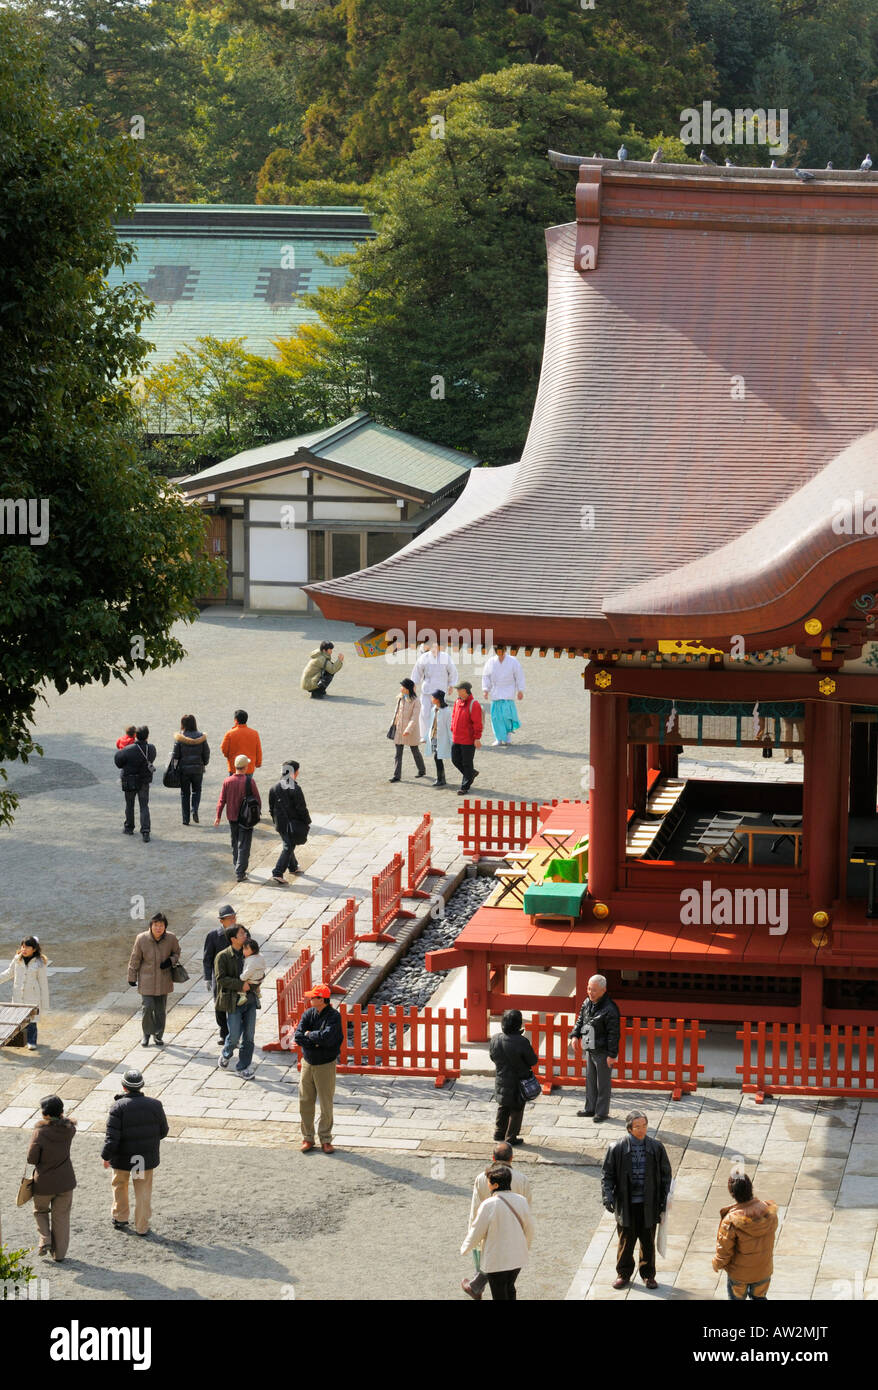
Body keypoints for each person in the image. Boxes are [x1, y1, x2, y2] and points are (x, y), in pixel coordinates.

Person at [602, 1111, 673, 1290]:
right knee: (626, 1240)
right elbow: (607, 1175)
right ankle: (623, 1273)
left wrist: (665, 1200)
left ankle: (648, 1274)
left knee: (647, 1240)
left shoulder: (656, 1147)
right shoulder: (616, 1148)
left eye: (644, 1126)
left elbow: (666, 1176)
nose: (642, 1130)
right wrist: (607, 1195)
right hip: (626, 1203)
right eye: (637, 1127)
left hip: (649, 1203)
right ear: (629, 1128)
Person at [101, 1068, 169, 1238]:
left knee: (119, 1185)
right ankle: (142, 1226)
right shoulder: (155, 1105)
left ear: (124, 1087)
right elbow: (163, 1131)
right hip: (143, 1158)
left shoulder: (118, 1107)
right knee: (143, 1190)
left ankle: (120, 1217)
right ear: (141, 1086)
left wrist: (106, 1155)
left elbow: (112, 1137)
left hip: (123, 1158)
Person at [462, 1142, 533, 1301]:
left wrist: (472, 1244)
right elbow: (528, 1213)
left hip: (492, 1240)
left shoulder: (482, 1178)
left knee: (499, 1285)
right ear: (512, 1158)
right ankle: (475, 1285)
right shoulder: (522, 1180)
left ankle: (476, 1285)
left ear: (493, 1158)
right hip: (516, 1241)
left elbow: (475, 1212)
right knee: (509, 1286)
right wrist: (525, 1244)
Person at [712, 1170, 779, 1300]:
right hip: (763, 1269)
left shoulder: (731, 1220)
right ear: (750, 1188)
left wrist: (717, 1263)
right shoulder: (769, 1211)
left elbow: (724, 1251)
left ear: (732, 1193)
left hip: (739, 1275)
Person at [26, 1095, 76, 1261]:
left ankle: (45, 1239)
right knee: (61, 1218)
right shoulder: (70, 1129)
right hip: (65, 1182)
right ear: (61, 1112)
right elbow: (67, 1121)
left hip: (44, 1184)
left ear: (45, 1114)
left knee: (40, 1211)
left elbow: (31, 1159)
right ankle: (59, 1255)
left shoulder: (40, 1133)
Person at [294, 983, 343, 1153]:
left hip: (325, 1065)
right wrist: (315, 1041)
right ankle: (307, 1137)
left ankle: (325, 1138)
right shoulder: (309, 1014)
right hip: (308, 1062)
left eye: (313, 997)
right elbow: (298, 1035)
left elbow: (328, 1038)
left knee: (325, 1103)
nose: (310, 999)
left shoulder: (334, 1017)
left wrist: (310, 1035)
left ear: (322, 999)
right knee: (305, 1100)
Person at [127, 912, 181, 1048]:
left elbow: (177, 953)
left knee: (160, 1010)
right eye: (156, 925)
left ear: (165, 927)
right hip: (147, 980)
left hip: (164, 980)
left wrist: (171, 961)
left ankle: (158, 1035)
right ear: (150, 926)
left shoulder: (171, 938)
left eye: (161, 925)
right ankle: (146, 1033)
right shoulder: (141, 939)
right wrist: (131, 976)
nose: (158, 928)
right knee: (147, 1007)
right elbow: (135, 958)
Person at [571, 974, 620, 1122]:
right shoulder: (587, 1002)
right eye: (589, 988)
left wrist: (612, 1054)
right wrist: (574, 1035)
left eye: (594, 990)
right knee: (590, 1080)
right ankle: (590, 1108)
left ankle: (601, 1112)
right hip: (590, 1047)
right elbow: (580, 1020)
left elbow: (614, 1034)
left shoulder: (610, 1009)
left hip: (603, 1051)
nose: (590, 992)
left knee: (603, 1083)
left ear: (603, 990)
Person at [489, 1008, 539, 1147]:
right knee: (516, 1108)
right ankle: (511, 1136)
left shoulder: (495, 1039)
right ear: (519, 1024)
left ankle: (499, 1132)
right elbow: (532, 1061)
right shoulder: (521, 1041)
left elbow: (493, 1057)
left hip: (501, 1077)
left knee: (503, 1105)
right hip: (518, 1079)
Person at [215, 925, 258, 1078]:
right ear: (233, 939)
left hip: (250, 999)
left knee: (249, 1036)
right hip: (233, 1001)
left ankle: (243, 1067)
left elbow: (259, 969)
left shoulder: (250, 953)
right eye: (241, 934)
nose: (245, 935)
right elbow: (221, 979)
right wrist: (241, 985)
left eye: (245, 932)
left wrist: (255, 983)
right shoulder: (223, 956)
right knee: (233, 1036)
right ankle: (226, 1053)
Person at [215, 753, 262, 882]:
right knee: (244, 845)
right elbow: (257, 799)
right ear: (245, 767)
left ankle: (237, 865)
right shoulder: (249, 781)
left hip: (232, 817)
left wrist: (218, 816)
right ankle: (240, 872)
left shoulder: (227, 781)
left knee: (235, 842)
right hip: (246, 818)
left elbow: (221, 800)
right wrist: (257, 814)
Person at [203, 904, 244, 1045]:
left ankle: (236, 1034)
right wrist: (207, 977)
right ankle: (223, 1032)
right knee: (220, 1005)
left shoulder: (242, 933)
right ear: (222, 921)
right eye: (229, 919)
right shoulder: (213, 936)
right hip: (220, 977)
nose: (233, 920)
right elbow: (207, 958)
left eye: (234, 918)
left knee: (238, 1004)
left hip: (238, 975)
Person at [0, 936, 49, 1050]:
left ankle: (32, 1041)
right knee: (17, 1018)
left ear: (34, 949)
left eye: (27, 947)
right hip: (18, 993)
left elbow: (43, 983)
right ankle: (16, 1040)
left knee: (31, 1020)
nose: (24, 949)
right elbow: (9, 973)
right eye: (23, 946)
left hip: (32, 995)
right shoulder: (17, 959)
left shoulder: (39, 963)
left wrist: (45, 1003)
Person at [268, 759, 311, 884]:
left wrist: (275, 821)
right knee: (288, 846)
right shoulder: (295, 789)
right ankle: (277, 872)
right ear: (294, 772)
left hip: (280, 823)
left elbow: (271, 808)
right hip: (293, 823)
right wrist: (307, 821)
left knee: (288, 843)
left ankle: (293, 867)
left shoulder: (274, 788)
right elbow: (301, 808)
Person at [114, 724, 157, 841]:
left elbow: (118, 762)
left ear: (136, 736)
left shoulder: (128, 750)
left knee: (129, 804)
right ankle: (146, 831)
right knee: (144, 806)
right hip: (144, 781)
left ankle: (129, 827)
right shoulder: (151, 748)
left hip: (129, 779)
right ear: (147, 736)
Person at [411, 641, 458, 738]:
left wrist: (451, 685)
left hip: (440, 690)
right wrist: (414, 684)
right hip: (427, 690)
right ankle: (425, 735)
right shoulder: (424, 657)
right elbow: (417, 671)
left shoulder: (445, 657)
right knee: (424, 712)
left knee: (439, 712)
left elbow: (453, 671)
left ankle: (438, 735)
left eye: (435, 646)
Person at [482, 644, 526, 746]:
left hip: (508, 690)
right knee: (496, 717)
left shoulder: (513, 661)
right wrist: (485, 689)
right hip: (495, 691)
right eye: (498, 652)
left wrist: (520, 690)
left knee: (507, 716)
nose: (500, 654)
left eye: (501, 651)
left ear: (505, 650)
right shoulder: (491, 662)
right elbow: (486, 676)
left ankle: (507, 736)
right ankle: (498, 738)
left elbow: (519, 676)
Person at [172, 713, 210, 825]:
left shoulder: (180, 738)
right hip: (198, 769)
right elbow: (206, 752)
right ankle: (194, 809)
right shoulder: (201, 737)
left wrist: (175, 768)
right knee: (197, 790)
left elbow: (176, 755)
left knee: (185, 793)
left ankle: (185, 819)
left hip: (184, 770)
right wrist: (204, 763)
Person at [389, 678, 427, 782]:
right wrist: (393, 723)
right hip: (399, 729)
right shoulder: (400, 698)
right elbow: (396, 713)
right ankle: (397, 776)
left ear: (407, 689)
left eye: (403, 687)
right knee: (398, 754)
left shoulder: (416, 701)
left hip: (411, 731)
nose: (401, 688)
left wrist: (408, 730)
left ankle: (422, 770)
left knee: (415, 751)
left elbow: (414, 718)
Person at [450, 681, 482, 794]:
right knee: (455, 760)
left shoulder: (474, 704)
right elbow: (454, 715)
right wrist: (452, 728)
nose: (457, 691)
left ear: (465, 690)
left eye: (459, 689)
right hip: (456, 738)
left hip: (468, 740)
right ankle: (471, 773)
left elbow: (477, 723)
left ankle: (465, 787)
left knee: (467, 763)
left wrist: (477, 738)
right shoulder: (457, 701)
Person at [220, 709, 262, 776]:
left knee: (233, 785)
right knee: (247, 785)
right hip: (249, 767)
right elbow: (258, 750)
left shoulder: (230, 733)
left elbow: (223, 749)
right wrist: (258, 763)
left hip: (234, 767)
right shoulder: (254, 733)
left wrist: (229, 756)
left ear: (235, 720)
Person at [428, 690, 453, 787]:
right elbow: (431, 724)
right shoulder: (434, 709)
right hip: (435, 737)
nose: (431, 699)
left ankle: (440, 779)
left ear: (438, 699)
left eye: (433, 697)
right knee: (437, 757)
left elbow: (449, 726)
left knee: (438, 757)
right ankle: (441, 778)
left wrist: (451, 740)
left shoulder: (446, 711)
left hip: (442, 738)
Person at [237, 938, 266, 1008]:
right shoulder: (260, 956)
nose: (243, 951)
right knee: (256, 986)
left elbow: (248, 972)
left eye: (246, 949)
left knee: (240, 985)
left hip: (252, 981)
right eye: (243, 949)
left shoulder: (251, 961)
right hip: (259, 978)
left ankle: (242, 996)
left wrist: (241, 977)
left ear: (253, 950)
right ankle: (258, 992)